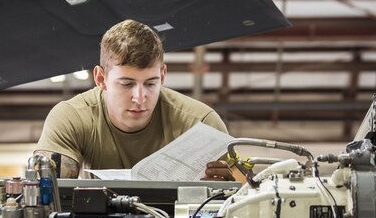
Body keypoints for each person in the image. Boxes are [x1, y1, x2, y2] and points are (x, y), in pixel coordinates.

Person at [35, 19, 233, 180]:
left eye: (150, 83)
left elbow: (240, 200)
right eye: (127, 84)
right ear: (101, 78)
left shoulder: (202, 124)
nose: (139, 98)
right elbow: (49, 191)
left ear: (163, 75)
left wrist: (228, 186)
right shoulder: (71, 117)